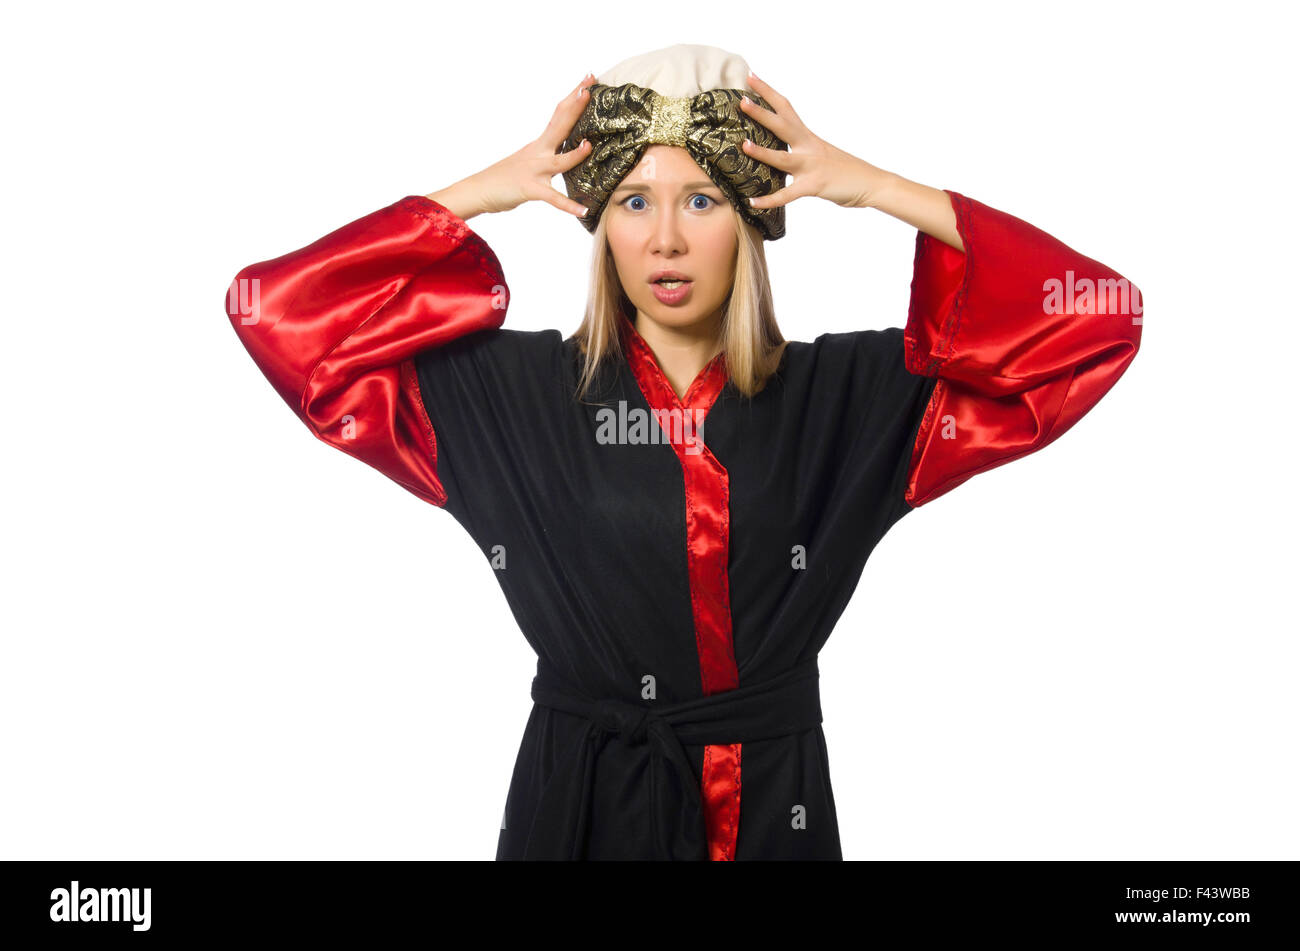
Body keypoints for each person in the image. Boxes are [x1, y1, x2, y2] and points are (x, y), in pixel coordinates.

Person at [223, 44, 1142, 860]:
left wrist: (869, 186)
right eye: (632, 201)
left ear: (749, 220)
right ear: (600, 225)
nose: (664, 238)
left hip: (772, 809)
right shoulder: (510, 395)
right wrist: (483, 192)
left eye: (700, 199)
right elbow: (277, 313)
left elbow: (1097, 318)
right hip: (575, 805)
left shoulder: (849, 397)